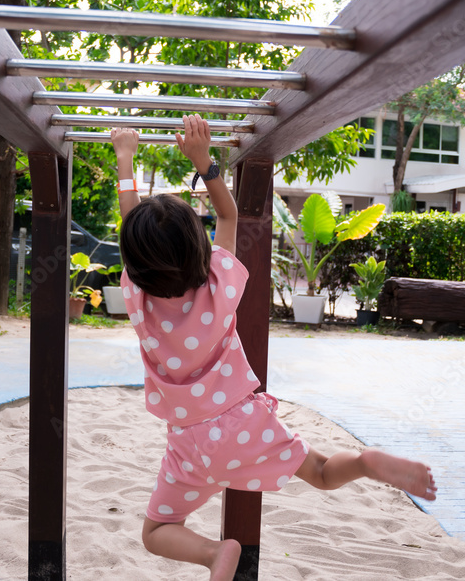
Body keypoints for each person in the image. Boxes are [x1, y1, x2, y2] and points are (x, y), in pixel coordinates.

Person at [112, 115, 437, 580]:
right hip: (246, 425)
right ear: (200, 251)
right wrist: (203, 163)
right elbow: (228, 215)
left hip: (190, 444)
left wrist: (126, 157)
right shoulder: (219, 286)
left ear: (134, 263)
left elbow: (132, 227)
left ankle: (212, 555)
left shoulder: (137, 299)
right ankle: (365, 461)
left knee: (158, 530)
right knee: (323, 472)